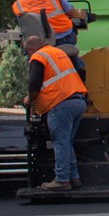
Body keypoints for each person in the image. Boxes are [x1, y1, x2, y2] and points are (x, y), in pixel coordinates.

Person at [24, 35, 89, 192]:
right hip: (78, 101)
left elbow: (33, 85)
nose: (28, 56)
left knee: (60, 142)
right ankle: (74, 177)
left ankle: (62, 180)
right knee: (66, 142)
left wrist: (28, 100)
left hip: (60, 103)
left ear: (31, 49)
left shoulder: (38, 56)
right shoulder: (57, 53)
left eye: (27, 53)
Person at [9, 0, 81, 46]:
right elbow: (71, 12)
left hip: (42, 42)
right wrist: (80, 15)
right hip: (65, 36)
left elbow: (24, 28)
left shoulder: (17, 5)